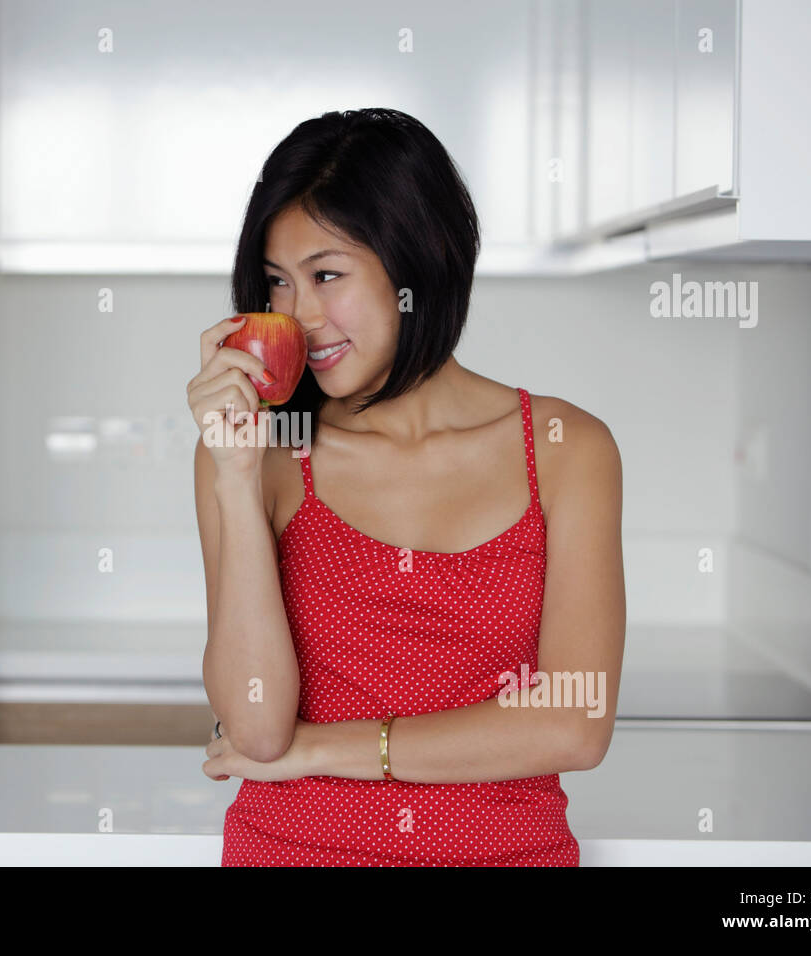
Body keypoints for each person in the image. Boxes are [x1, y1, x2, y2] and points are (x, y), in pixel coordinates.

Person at [187, 108, 625, 866]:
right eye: (277, 283)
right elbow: (257, 732)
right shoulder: (266, 453)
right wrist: (231, 473)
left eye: (327, 275)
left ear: (423, 260)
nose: (299, 316)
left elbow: (573, 725)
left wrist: (322, 751)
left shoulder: (565, 450)